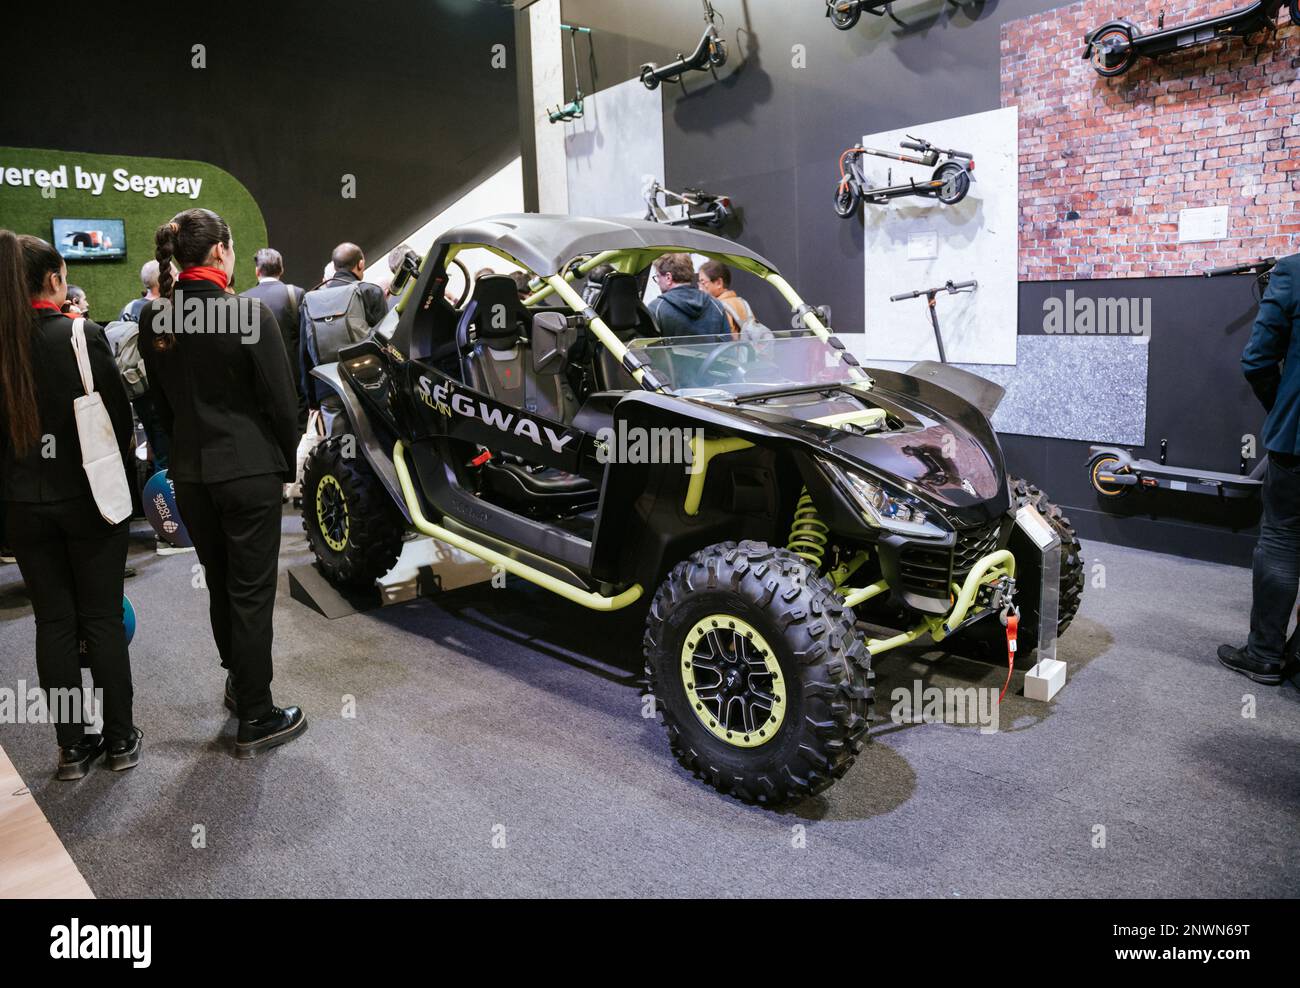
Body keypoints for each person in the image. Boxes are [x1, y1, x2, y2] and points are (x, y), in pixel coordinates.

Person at [139, 208, 307, 757]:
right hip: (249, 472)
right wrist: (285, 463)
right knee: (252, 594)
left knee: (220, 582)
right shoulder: (246, 314)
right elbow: (284, 404)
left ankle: (240, 685)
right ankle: (257, 714)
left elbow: (159, 409)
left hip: (192, 476)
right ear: (219, 252)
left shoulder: (155, 320)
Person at [0, 230, 139, 778]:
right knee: (102, 618)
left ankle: (72, 749)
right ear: (55, 280)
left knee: (53, 623)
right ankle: (121, 741)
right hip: (90, 500)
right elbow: (118, 419)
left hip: (22, 508)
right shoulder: (81, 334)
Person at [1222, 252, 1300, 685]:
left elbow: (1257, 361)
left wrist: (1284, 412)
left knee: (1282, 539)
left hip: (1298, 443)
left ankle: (1265, 655)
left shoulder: (1293, 271)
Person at [299, 242, 387, 413]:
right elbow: (386, 342)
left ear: (334, 266)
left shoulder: (310, 301)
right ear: (360, 264)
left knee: (342, 439)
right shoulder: (370, 292)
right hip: (371, 384)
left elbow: (305, 354)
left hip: (328, 389)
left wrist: (312, 398)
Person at [240, 248, 307, 430]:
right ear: (281, 269)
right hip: (294, 383)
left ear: (257, 271)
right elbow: (305, 341)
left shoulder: (242, 300)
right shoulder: (296, 294)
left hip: (258, 384)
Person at [646, 253, 730, 337]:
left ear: (668, 277)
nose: (658, 282)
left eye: (658, 276)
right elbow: (726, 344)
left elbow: (646, 348)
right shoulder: (715, 304)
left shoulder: (656, 308)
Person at [699, 260, 751, 339]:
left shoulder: (717, 308)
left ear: (719, 283)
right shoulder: (743, 303)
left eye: (703, 282)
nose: (700, 288)